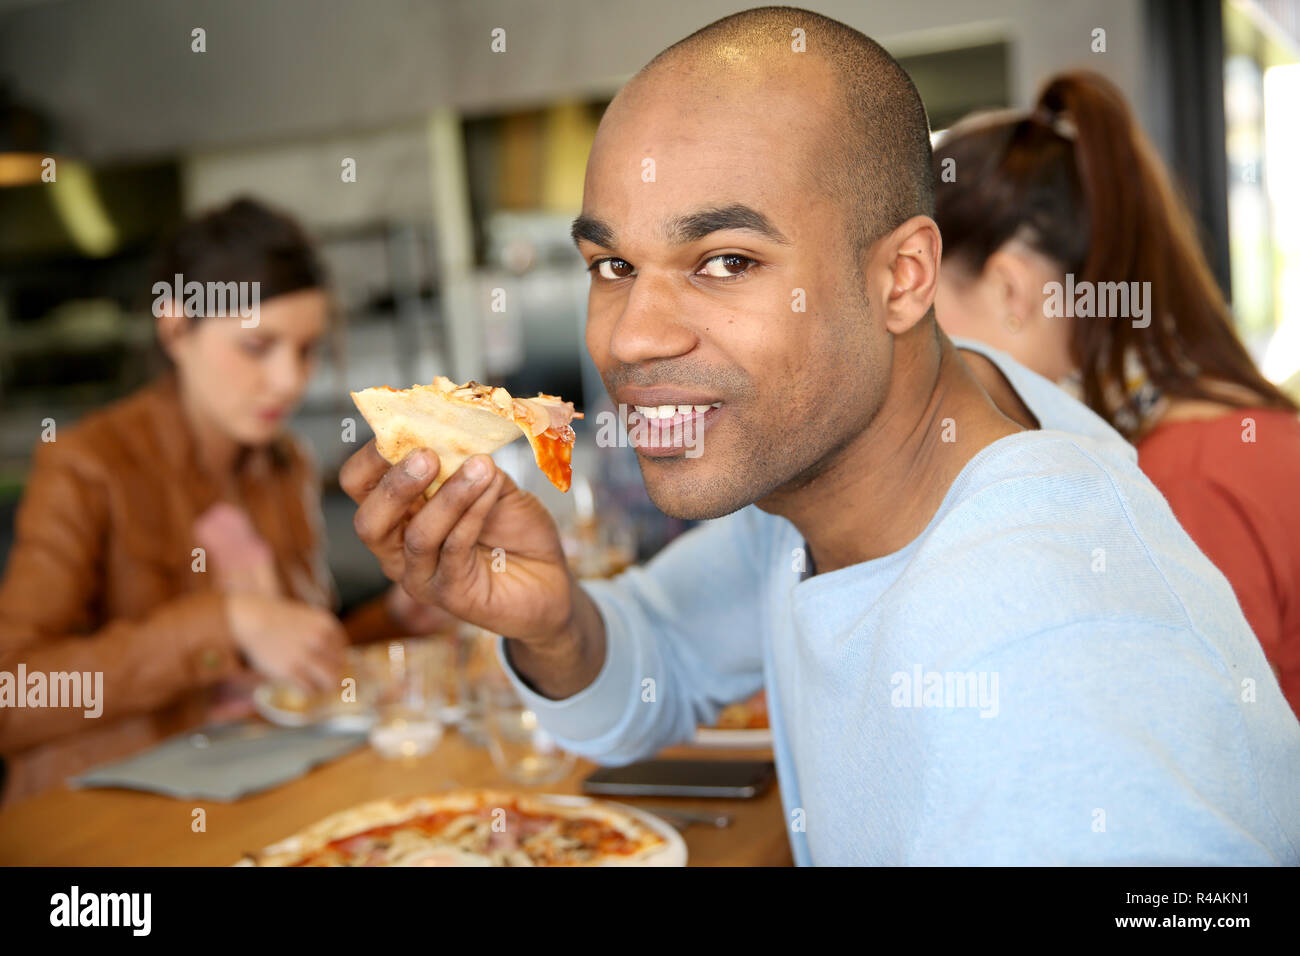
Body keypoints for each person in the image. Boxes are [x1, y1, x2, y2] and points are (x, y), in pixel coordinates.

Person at [343, 8, 1300, 864]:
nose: (630, 337)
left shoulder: (1045, 659)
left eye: (725, 260)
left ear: (902, 277)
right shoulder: (865, 451)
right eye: (613, 264)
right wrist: (552, 623)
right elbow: (661, 660)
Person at [0, 197, 447, 805]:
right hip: (121, 826)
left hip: (266, 794)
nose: (291, 380)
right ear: (176, 328)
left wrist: (394, 623)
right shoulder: (87, 465)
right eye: (258, 348)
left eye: (307, 349)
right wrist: (225, 622)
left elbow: (284, 673)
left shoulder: (283, 462)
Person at [932, 71, 1300, 717]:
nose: (924, 354)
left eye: (930, 315)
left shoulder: (1182, 485)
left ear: (1012, 291)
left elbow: (1193, 749)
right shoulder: (1231, 429)